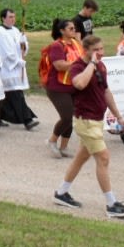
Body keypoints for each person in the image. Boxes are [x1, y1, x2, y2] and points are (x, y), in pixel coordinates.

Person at [53, 35, 124, 218]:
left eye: (101, 49)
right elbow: (80, 84)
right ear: (86, 51)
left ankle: (61, 193)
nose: (100, 52)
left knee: (80, 158)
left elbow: (106, 91)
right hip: (85, 121)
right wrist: (91, 64)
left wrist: (119, 116)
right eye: (96, 50)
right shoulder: (78, 67)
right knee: (104, 158)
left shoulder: (101, 66)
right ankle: (111, 204)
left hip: (96, 121)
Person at [40, 19, 85, 157]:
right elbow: (59, 65)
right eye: (70, 28)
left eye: (74, 28)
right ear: (62, 31)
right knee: (66, 117)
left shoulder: (76, 43)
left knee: (71, 117)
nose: (74, 30)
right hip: (57, 87)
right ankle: (52, 141)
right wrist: (78, 64)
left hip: (73, 85)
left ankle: (64, 147)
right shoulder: (57, 46)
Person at [0, 8, 38, 129]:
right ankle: (27, 120)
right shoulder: (0, 31)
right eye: (10, 17)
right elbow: (6, 51)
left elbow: (22, 48)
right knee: (16, 93)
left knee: (7, 95)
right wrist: (18, 61)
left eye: (14, 16)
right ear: (3, 18)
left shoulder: (16, 30)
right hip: (8, 67)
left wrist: (24, 43)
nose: (13, 19)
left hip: (17, 67)